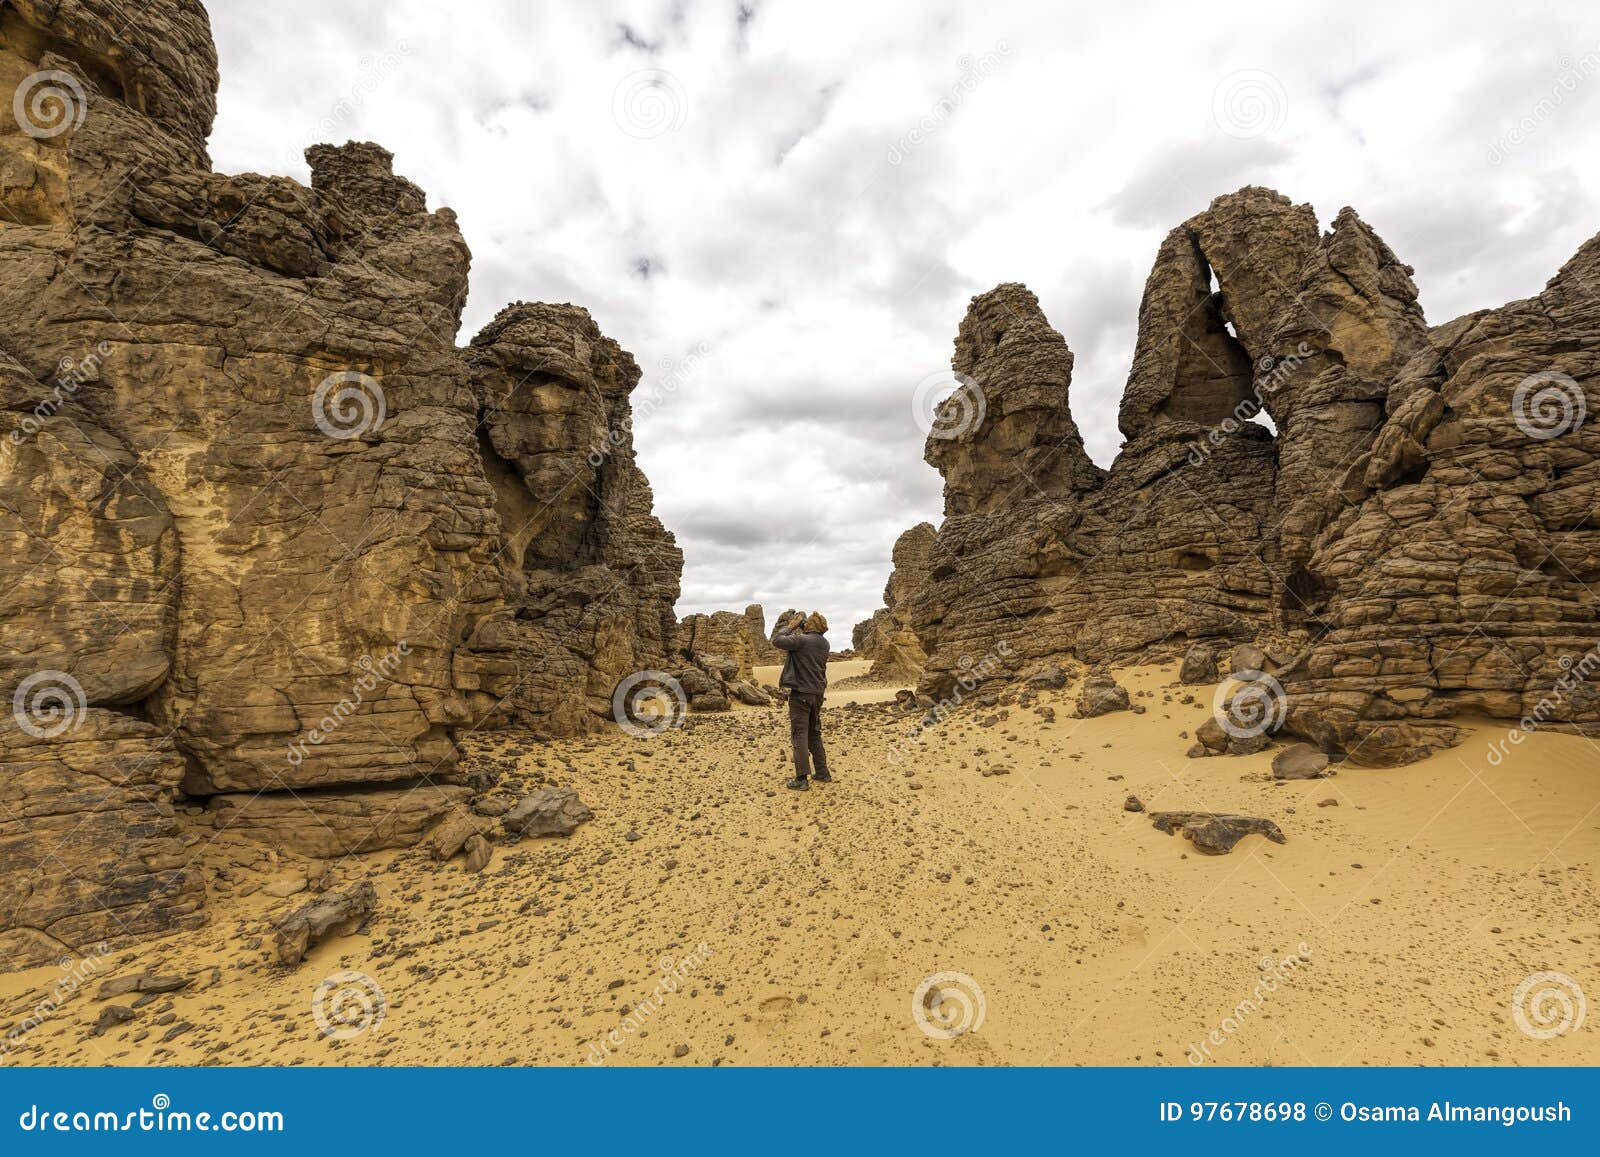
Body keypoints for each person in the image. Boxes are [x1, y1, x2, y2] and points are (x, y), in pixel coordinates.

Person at [772, 609, 831, 790]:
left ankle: (801, 779)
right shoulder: (824, 643)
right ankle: (822, 773)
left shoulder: (802, 641)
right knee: (814, 733)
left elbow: (777, 640)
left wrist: (791, 626)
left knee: (799, 734)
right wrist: (805, 625)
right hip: (817, 694)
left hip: (801, 695)